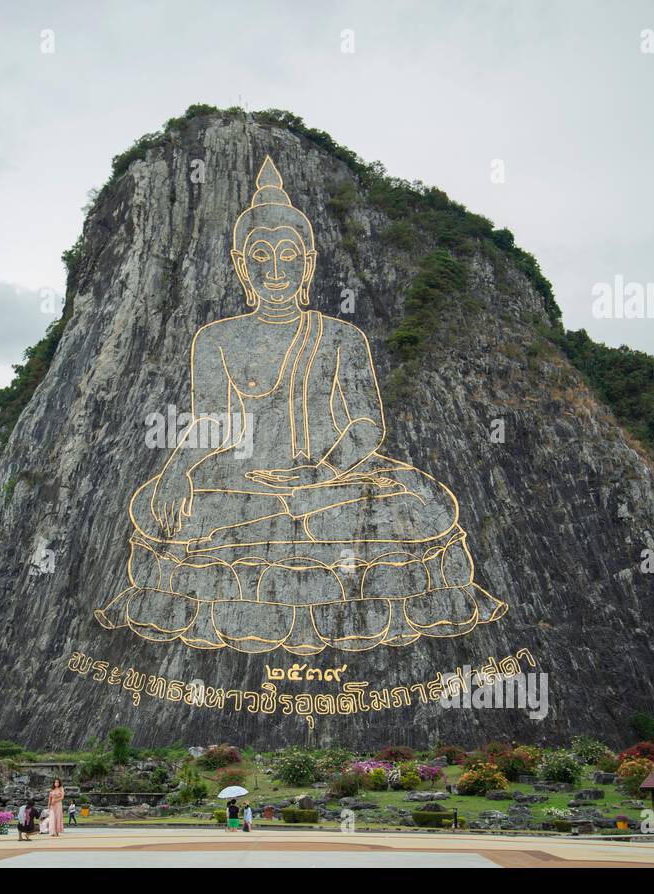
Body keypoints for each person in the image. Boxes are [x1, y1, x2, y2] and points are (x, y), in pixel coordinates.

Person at [95, 156, 507, 654]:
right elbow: (215, 422)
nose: (275, 269)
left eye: (288, 254)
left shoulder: (340, 336)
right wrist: (178, 469)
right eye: (261, 255)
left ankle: (283, 573)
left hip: (333, 482)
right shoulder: (216, 339)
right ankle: (294, 572)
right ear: (240, 264)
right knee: (163, 507)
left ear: (307, 263)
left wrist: (322, 473)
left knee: (422, 506)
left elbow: (366, 424)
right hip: (246, 482)